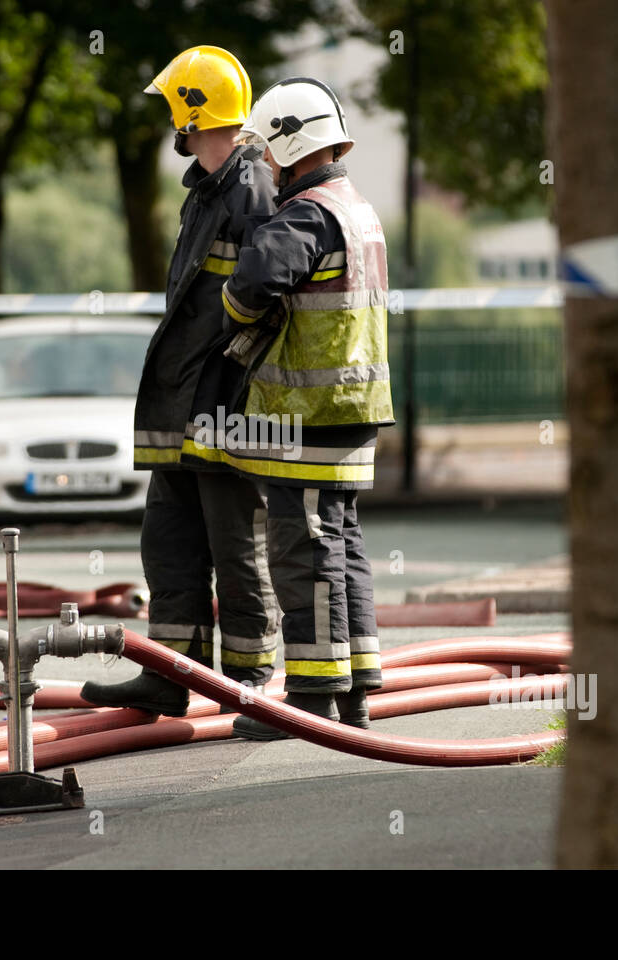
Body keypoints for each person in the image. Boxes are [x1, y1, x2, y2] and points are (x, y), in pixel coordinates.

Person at [81, 46, 281, 716]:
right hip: (183, 404)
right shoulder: (209, 190)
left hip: (225, 403)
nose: (173, 122)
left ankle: (250, 683)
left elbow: (272, 301)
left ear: (193, 110)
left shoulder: (253, 192)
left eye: (176, 107)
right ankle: (173, 674)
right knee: (169, 542)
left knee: (235, 544)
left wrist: (236, 382)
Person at [204, 77, 394, 739]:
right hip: (354, 406)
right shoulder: (356, 206)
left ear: (289, 144)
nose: (265, 165)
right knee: (341, 547)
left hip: (310, 411)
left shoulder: (308, 214)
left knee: (302, 551)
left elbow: (253, 286)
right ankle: (357, 691)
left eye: (268, 151)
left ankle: (312, 702)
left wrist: (233, 307)